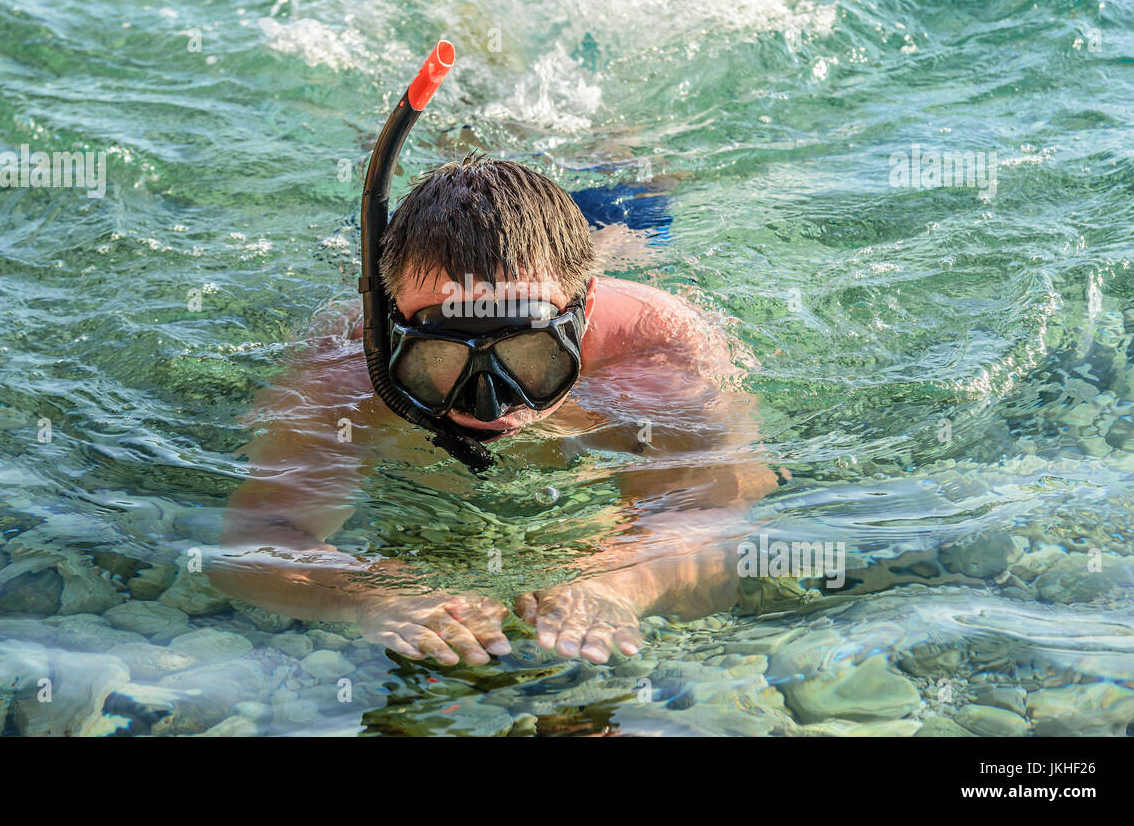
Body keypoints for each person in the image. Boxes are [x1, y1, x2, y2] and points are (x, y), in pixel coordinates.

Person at [212, 152, 783, 666]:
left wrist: (618, 584)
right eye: (439, 357)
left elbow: (717, 511)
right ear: (390, 322)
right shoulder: (348, 362)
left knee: (624, 171)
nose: (491, 406)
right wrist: (374, 594)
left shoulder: (654, 347)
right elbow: (251, 542)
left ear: (583, 311)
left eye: (529, 355)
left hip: (615, 225)